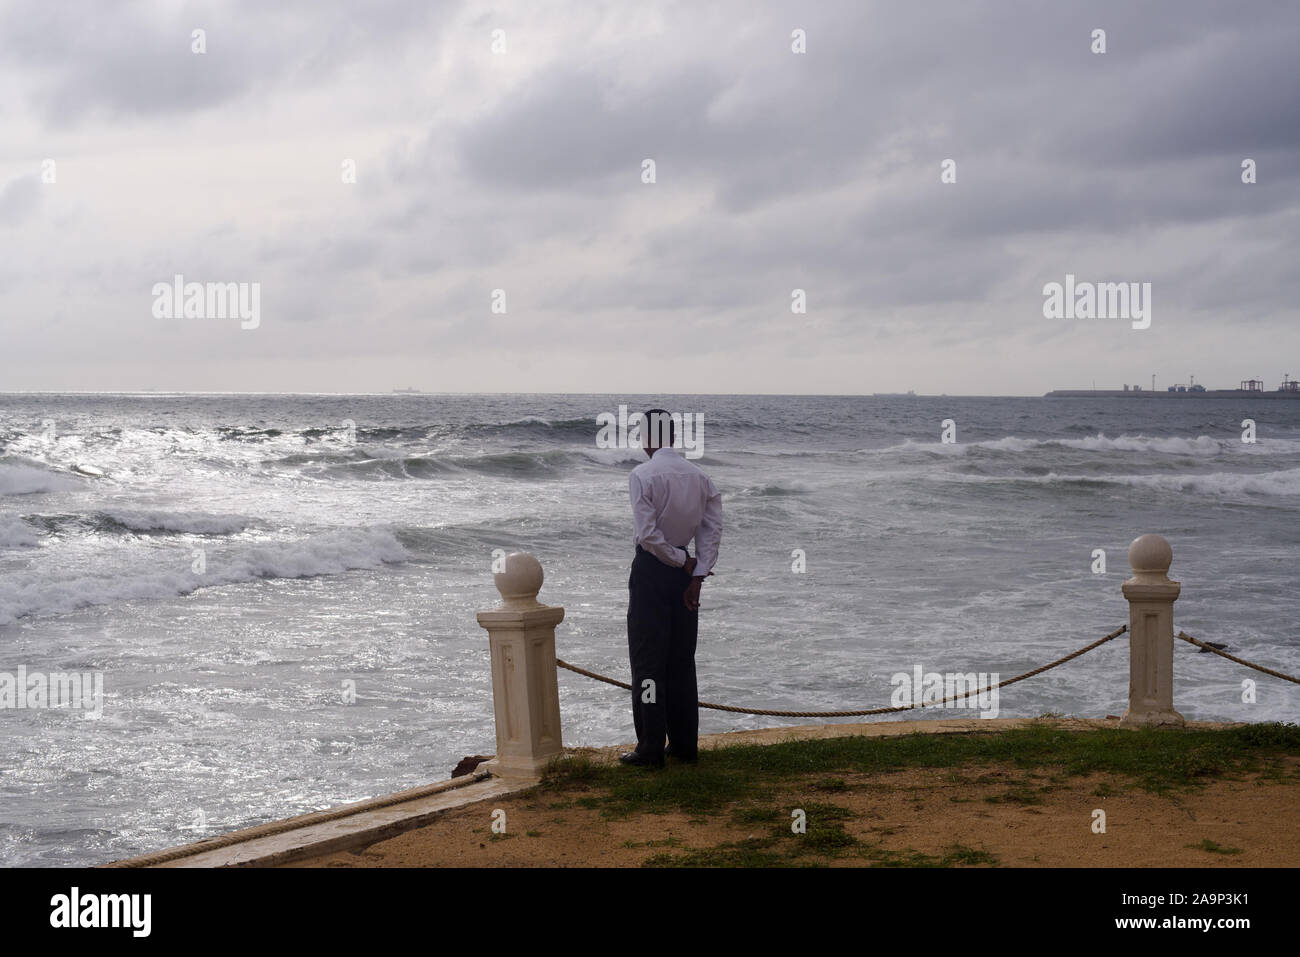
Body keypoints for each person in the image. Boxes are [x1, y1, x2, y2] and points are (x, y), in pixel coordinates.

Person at [619, 408, 722, 768]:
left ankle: (649, 748)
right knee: (680, 661)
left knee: (648, 662)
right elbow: (711, 531)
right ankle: (683, 746)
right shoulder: (700, 477)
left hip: (653, 571)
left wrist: (681, 561)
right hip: (684, 576)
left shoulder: (642, 475)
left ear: (645, 438)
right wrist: (696, 575)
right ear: (675, 438)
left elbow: (648, 536)